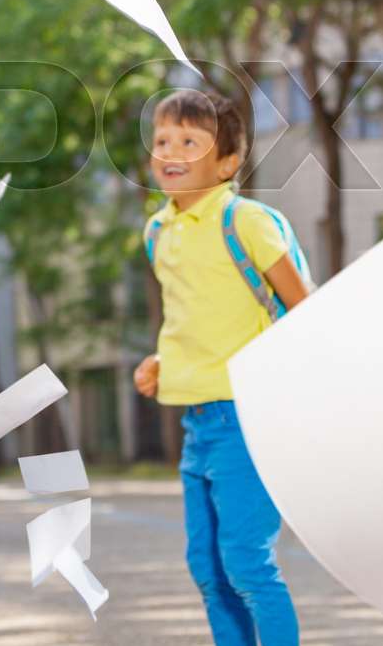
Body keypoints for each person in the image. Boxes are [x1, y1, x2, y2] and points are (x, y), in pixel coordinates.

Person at [133, 90, 312, 646]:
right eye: (163, 139)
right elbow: (193, 317)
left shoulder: (245, 222)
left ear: (228, 163)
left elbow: (304, 312)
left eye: (190, 141)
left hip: (247, 417)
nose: (171, 151)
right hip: (196, 421)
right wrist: (161, 362)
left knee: (247, 564)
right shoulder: (157, 232)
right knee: (207, 569)